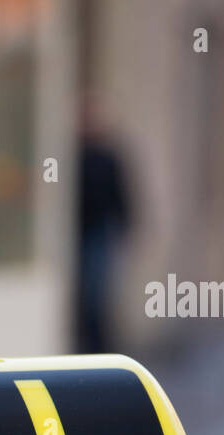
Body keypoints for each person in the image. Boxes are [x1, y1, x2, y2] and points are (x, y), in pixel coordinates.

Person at [75, 99, 133, 354]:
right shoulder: (75, 154)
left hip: (97, 232)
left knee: (96, 293)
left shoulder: (106, 156)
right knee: (85, 293)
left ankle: (99, 347)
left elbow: (121, 193)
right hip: (79, 233)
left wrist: (123, 225)